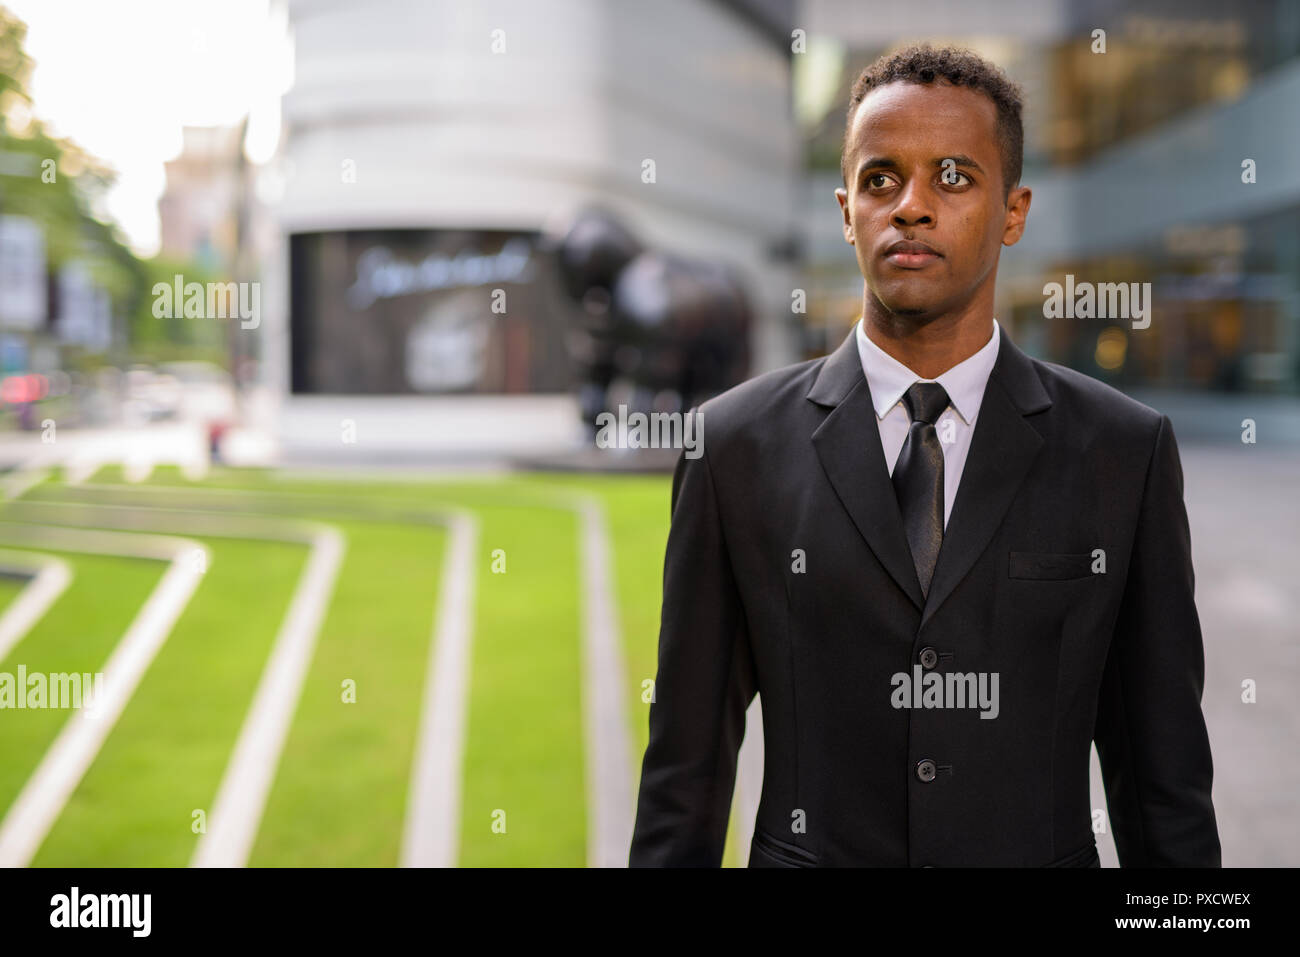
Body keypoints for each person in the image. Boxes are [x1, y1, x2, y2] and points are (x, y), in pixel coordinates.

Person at [628, 44, 1221, 867]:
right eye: (880, 179)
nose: (910, 206)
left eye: (952, 177)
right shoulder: (732, 446)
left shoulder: (1124, 452)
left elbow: (1165, 790)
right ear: (845, 211)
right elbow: (683, 782)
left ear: (1013, 212)